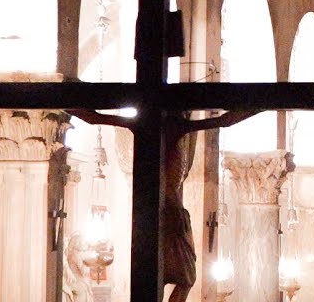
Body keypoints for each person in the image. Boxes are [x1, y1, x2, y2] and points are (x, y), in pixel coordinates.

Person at [69, 108, 258, 302]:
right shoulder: (175, 127)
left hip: (164, 209)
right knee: (180, 276)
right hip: (167, 209)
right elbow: (224, 120)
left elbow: (96, 118)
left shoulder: (159, 125)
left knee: (181, 277)